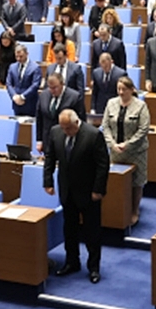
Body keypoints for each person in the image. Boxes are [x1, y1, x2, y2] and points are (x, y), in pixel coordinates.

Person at [44, 109, 110, 283]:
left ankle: (94, 268)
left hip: (88, 192)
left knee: (92, 232)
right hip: (67, 190)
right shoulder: (56, 132)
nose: (65, 131)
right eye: (63, 127)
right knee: (69, 229)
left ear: (76, 123)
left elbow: (103, 165)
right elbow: (50, 157)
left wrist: (98, 190)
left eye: (68, 128)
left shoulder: (93, 135)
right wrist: (48, 181)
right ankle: (72, 262)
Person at [101, 76, 149, 225]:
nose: (121, 92)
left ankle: (134, 210)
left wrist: (127, 144)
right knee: (117, 180)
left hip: (136, 151)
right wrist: (112, 144)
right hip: (116, 150)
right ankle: (118, 209)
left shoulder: (140, 106)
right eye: (119, 89)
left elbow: (143, 129)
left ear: (131, 90)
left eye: (124, 89)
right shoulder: (111, 103)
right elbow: (105, 126)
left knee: (136, 182)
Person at [36, 73, 84, 153]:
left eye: (55, 87)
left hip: (66, 139)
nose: (52, 91)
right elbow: (39, 119)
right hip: (47, 140)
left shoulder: (75, 97)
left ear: (62, 84)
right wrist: (39, 140)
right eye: (50, 87)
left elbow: (81, 121)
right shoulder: (43, 95)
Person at [6, 44, 41, 118]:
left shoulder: (35, 67)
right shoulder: (12, 67)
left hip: (30, 103)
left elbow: (35, 85)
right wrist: (14, 96)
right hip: (16, 103)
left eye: (21, 56)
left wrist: (22, 96)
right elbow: (8, 84)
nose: (18, 59)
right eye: (16, 56)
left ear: (27, 54)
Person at [89, 53, 126, 118]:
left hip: (115, 107)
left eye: (106, 66)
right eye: (102, 66)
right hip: (100, 107)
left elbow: (123, 94)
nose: (104, 68)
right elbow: (95, 92)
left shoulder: (121, 74)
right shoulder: (96, 73)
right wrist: (93, 108)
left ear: (111, 62)